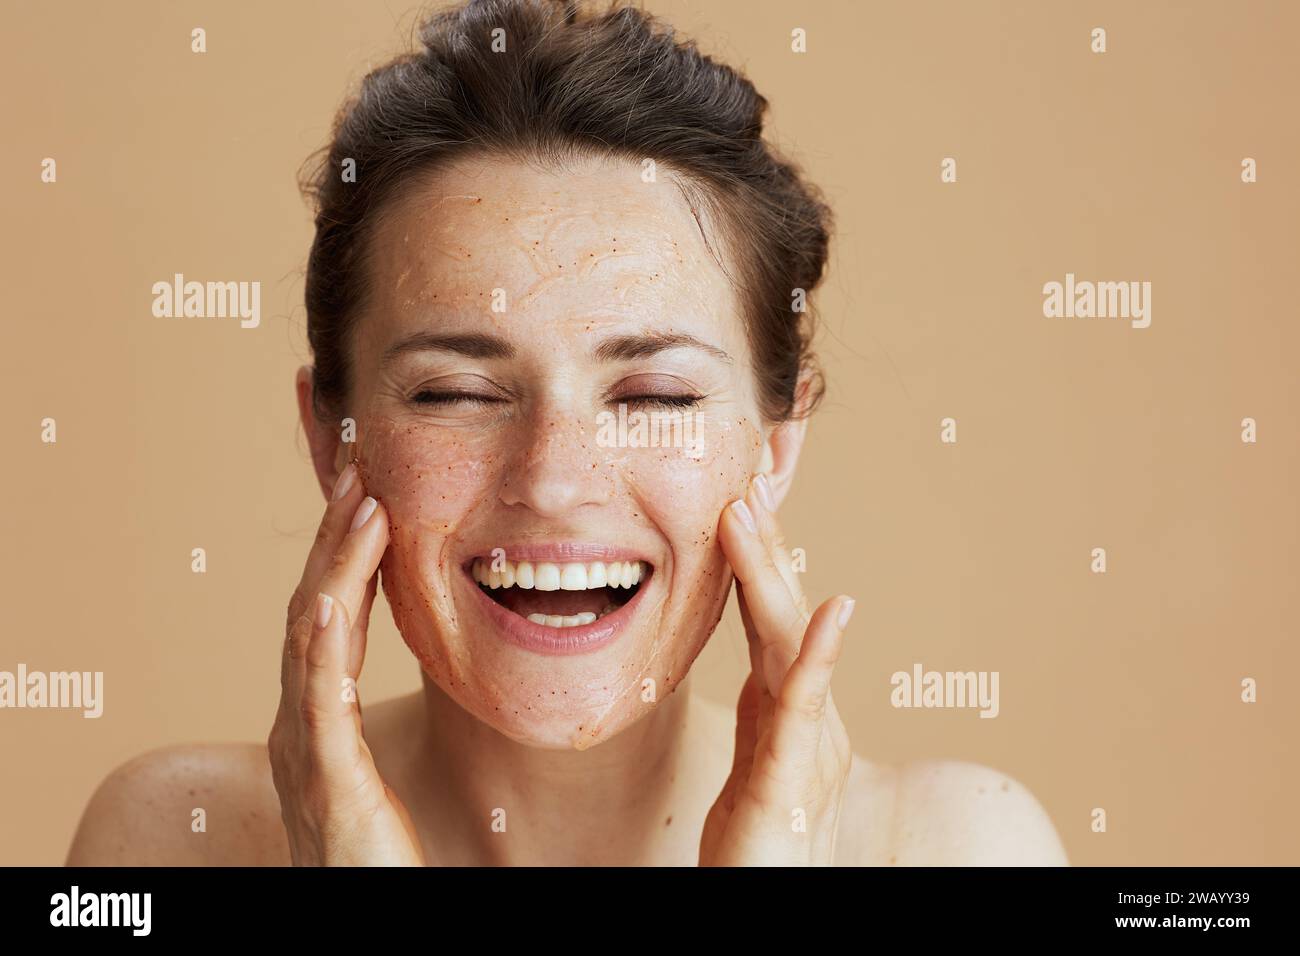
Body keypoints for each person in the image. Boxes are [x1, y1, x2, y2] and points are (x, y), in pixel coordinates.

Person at [67, 0, 1067, 866]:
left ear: (774, 441)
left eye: (655, 396)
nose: (553, 478)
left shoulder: (958, 842)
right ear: (335, 438)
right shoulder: (174, 833)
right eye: (457, 392)